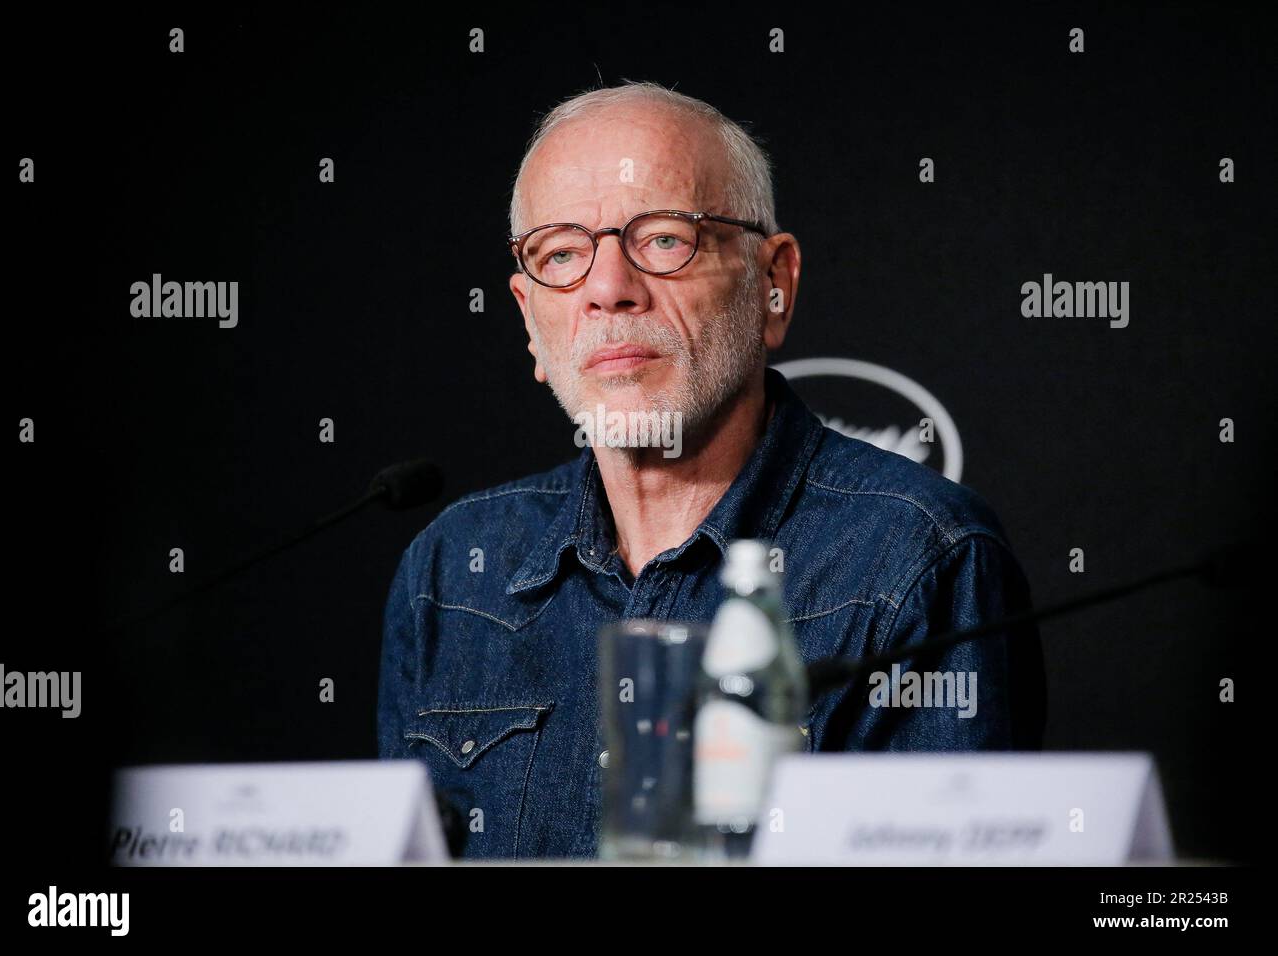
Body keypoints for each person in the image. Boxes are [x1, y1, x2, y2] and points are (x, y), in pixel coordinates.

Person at [377, 80, 1046, 859]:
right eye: (561, 254)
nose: (608, 290)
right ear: (530, 318)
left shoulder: (920, 555)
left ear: (774, 283)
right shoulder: (453, 568)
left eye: (664, 239)